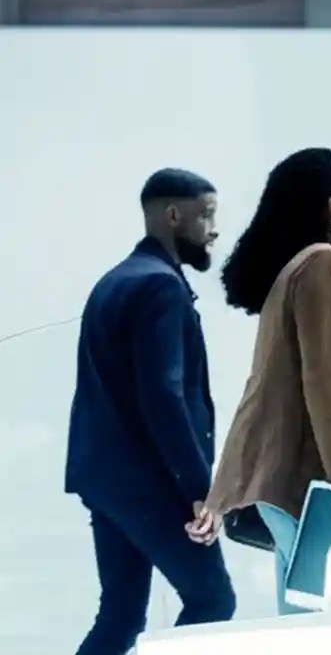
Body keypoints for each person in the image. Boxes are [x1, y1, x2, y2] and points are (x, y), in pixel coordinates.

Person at [188, 148, 331, 615]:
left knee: (301, 624)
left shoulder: (301, 269)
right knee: (320, 620)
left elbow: (262, 390)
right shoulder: (323, 262)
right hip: (308, 487)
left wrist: (221, 496)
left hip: (289, 486)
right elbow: (327, 378)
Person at [65, 168, 235, 654]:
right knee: (213, 600)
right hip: (149, 482)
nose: (214, 229)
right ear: (173, 215)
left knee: (119, 615)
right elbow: (165, 395)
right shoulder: (161, 288)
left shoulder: (113, 282)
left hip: (103, 480)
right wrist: (201, 489)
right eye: (206, 216)